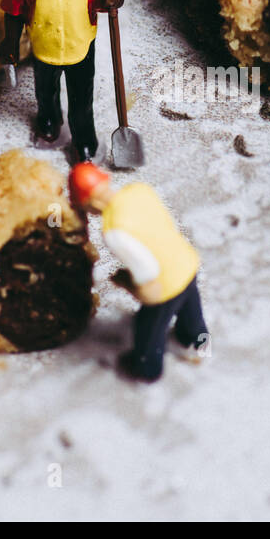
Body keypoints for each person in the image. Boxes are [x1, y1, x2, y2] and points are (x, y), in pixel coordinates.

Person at [69, 162, 209, 382]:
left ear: (92, 201)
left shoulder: (114, 231)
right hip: (185, 260)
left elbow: (149, 278)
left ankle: (147, 368)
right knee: (192, 312)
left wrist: (126, 282)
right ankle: (196, 341)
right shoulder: (138, 191)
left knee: (148, 326)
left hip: (167, 283)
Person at [0, 0, 122, 161]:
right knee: (45, 93)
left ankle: (84, 140)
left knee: (81, 100)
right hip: (44, 47)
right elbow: (13, 11)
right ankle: (49, 120)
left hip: (81, 48)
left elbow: (103, 4)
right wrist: (10, 42)